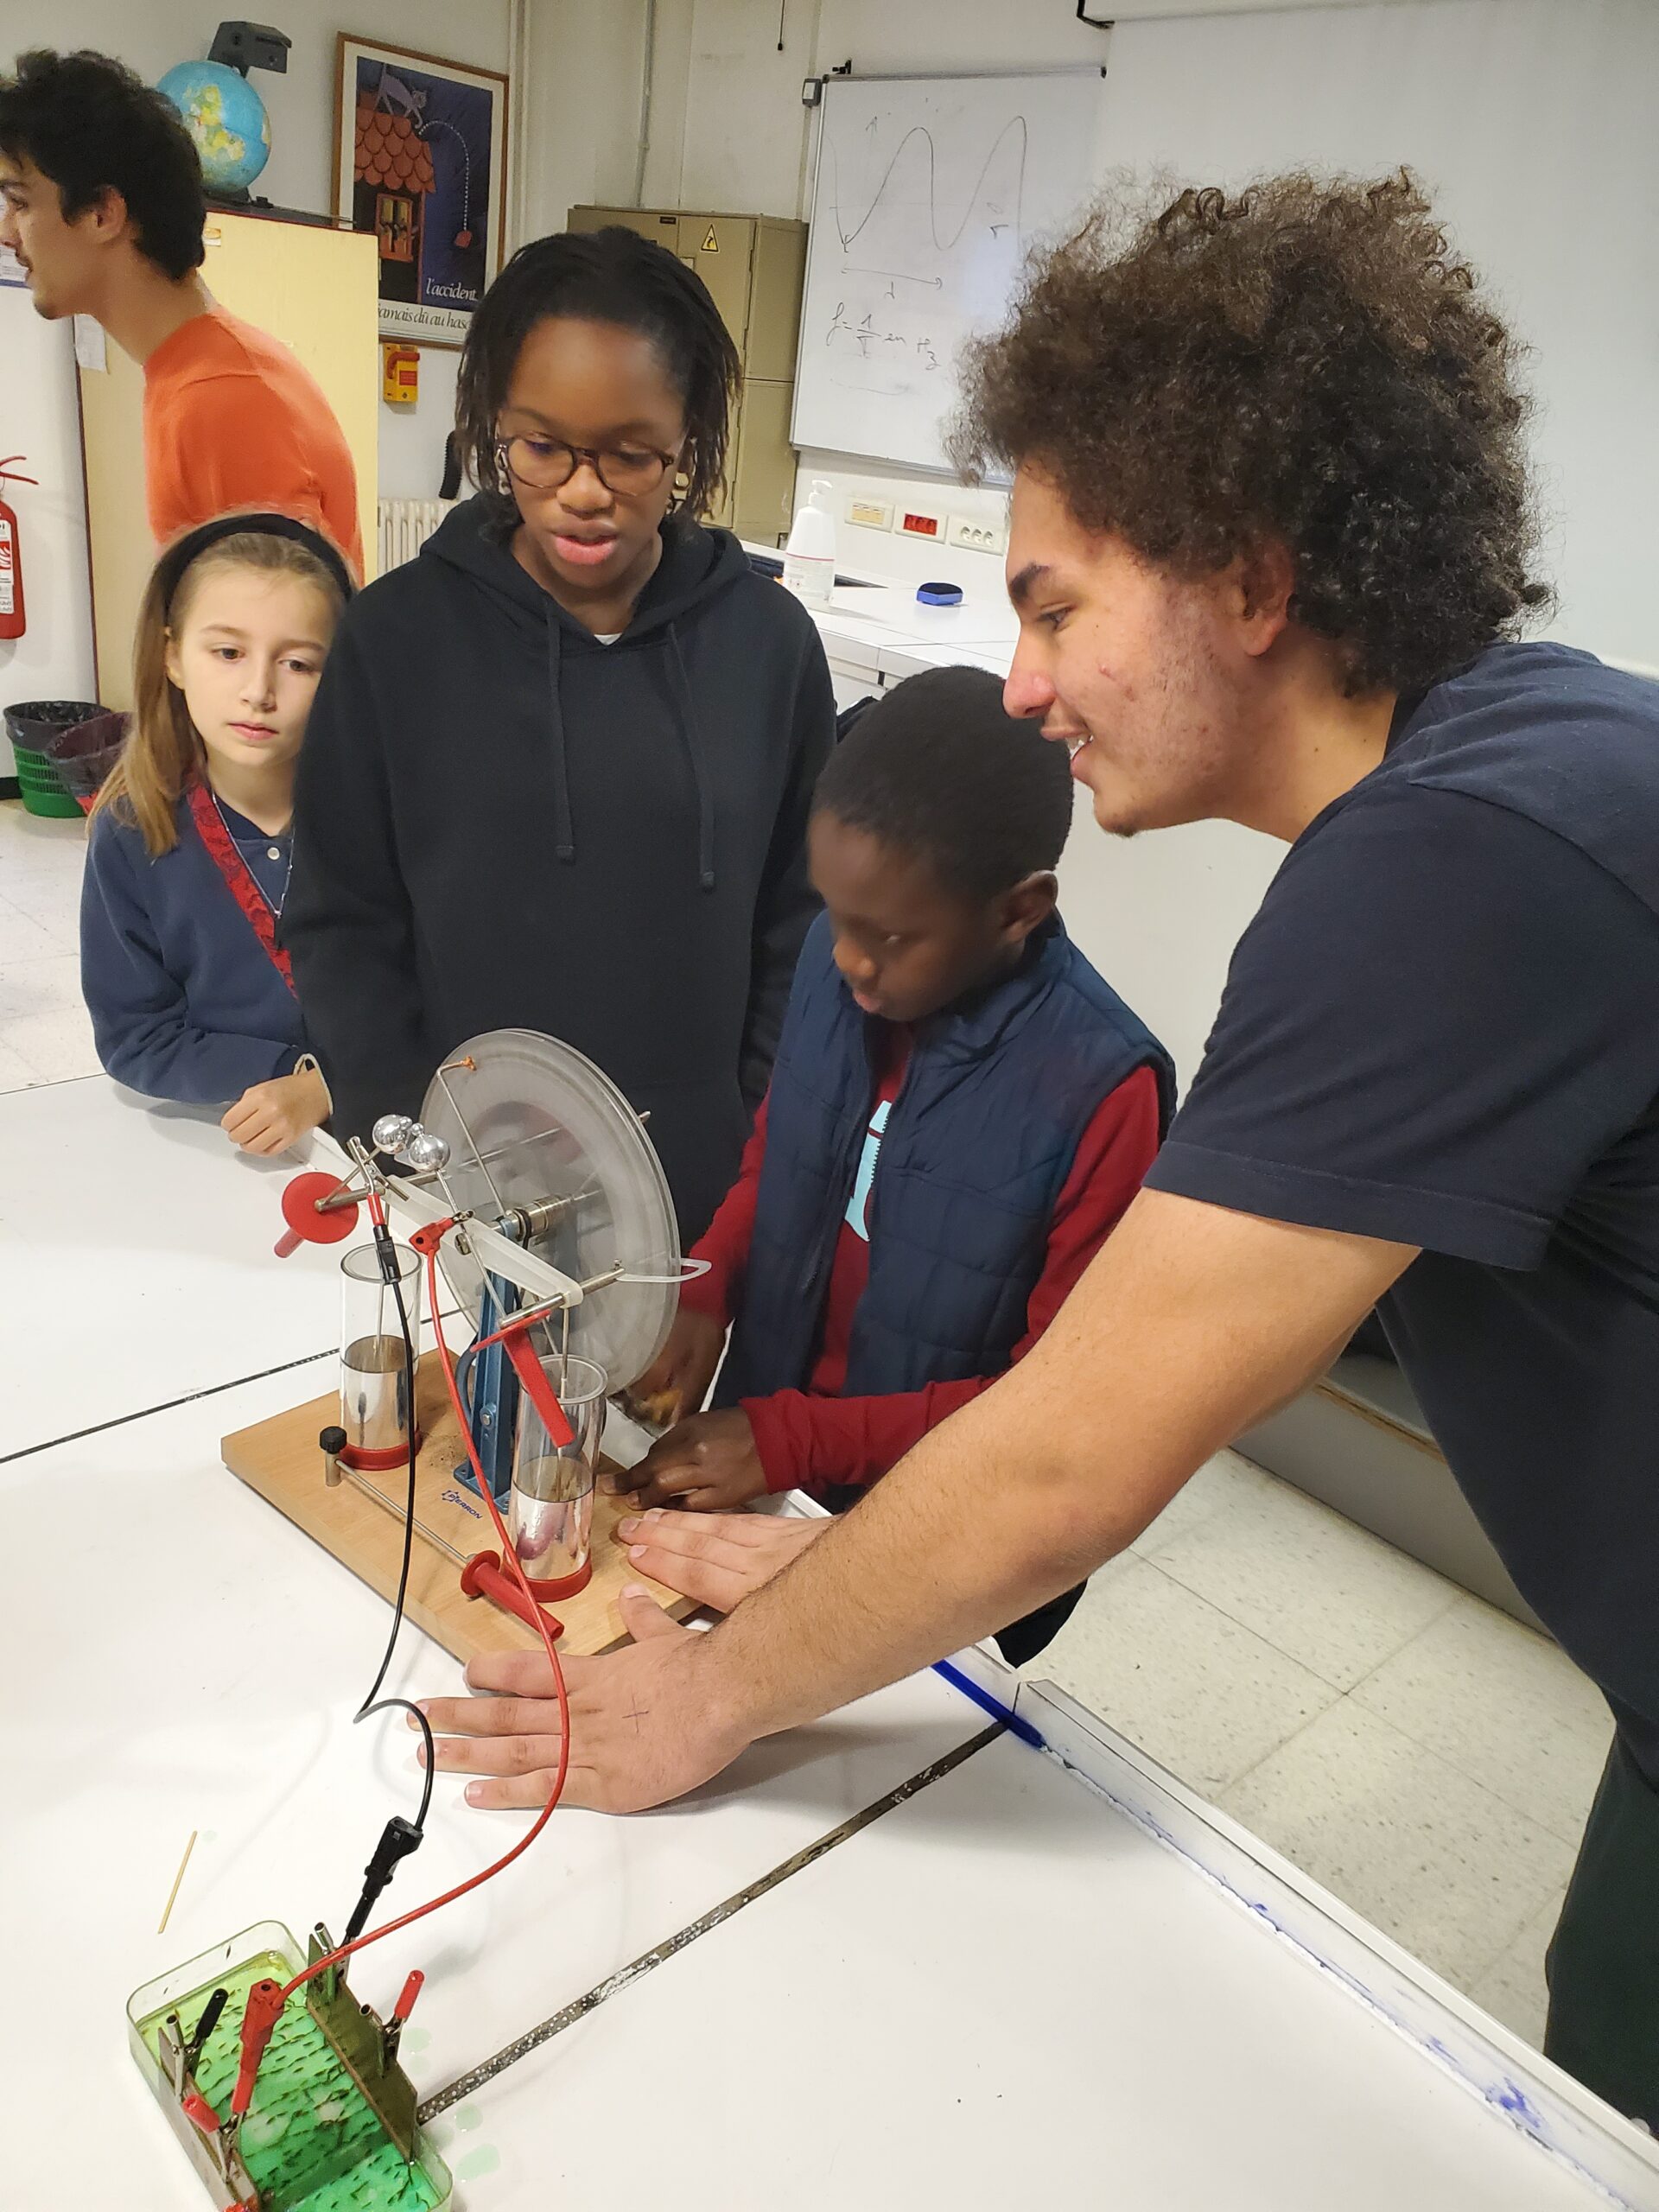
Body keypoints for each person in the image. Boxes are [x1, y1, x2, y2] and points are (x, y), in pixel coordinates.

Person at [416, 172, 1659, 2130]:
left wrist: (710, 1690)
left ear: (1249, 579)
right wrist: (829, 1565)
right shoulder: (1514, 763)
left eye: (1055, 604)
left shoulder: (1450, 862)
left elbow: (1071, 1442)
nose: (1019, 683)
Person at [283, 227, 836, 1243]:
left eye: (632, 454)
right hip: (469, 1187)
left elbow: (803, 929)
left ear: (689, 443)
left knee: (680, 1410)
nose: (585, 490)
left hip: (703, 1192)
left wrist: (756, 1135)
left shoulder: (767, 645)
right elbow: (342, 920)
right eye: (542, 446)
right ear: (496, 426)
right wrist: (412, 1148)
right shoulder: (399, 638)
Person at [614, 668, 1171, 1662]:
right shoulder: (846, 975)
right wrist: (709, 1281)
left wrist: (794, 1441)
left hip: (921, 1535)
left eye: (892, 937)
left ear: (1018, 910)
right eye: (835, 914)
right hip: (771, 1461)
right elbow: (775, 1166)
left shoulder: (1102, 1090)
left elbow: (1051, 1412)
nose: (849, 960)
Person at [0, 48, 363, 572]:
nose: (7, 232)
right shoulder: (190, 375)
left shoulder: (224, 399)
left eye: (21, 203)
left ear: (103, 213)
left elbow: (286, 646)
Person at [80, 514, 352, 1154]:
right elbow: (135, 1036)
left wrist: (329, 1086)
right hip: (234, 1142)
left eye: (299, 663)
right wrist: (281, 1076)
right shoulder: (130, 831)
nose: (259, 692)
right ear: (173, 655)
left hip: (400, 1122)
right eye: (228, 653)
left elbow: (437, 990)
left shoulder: (381, 816)